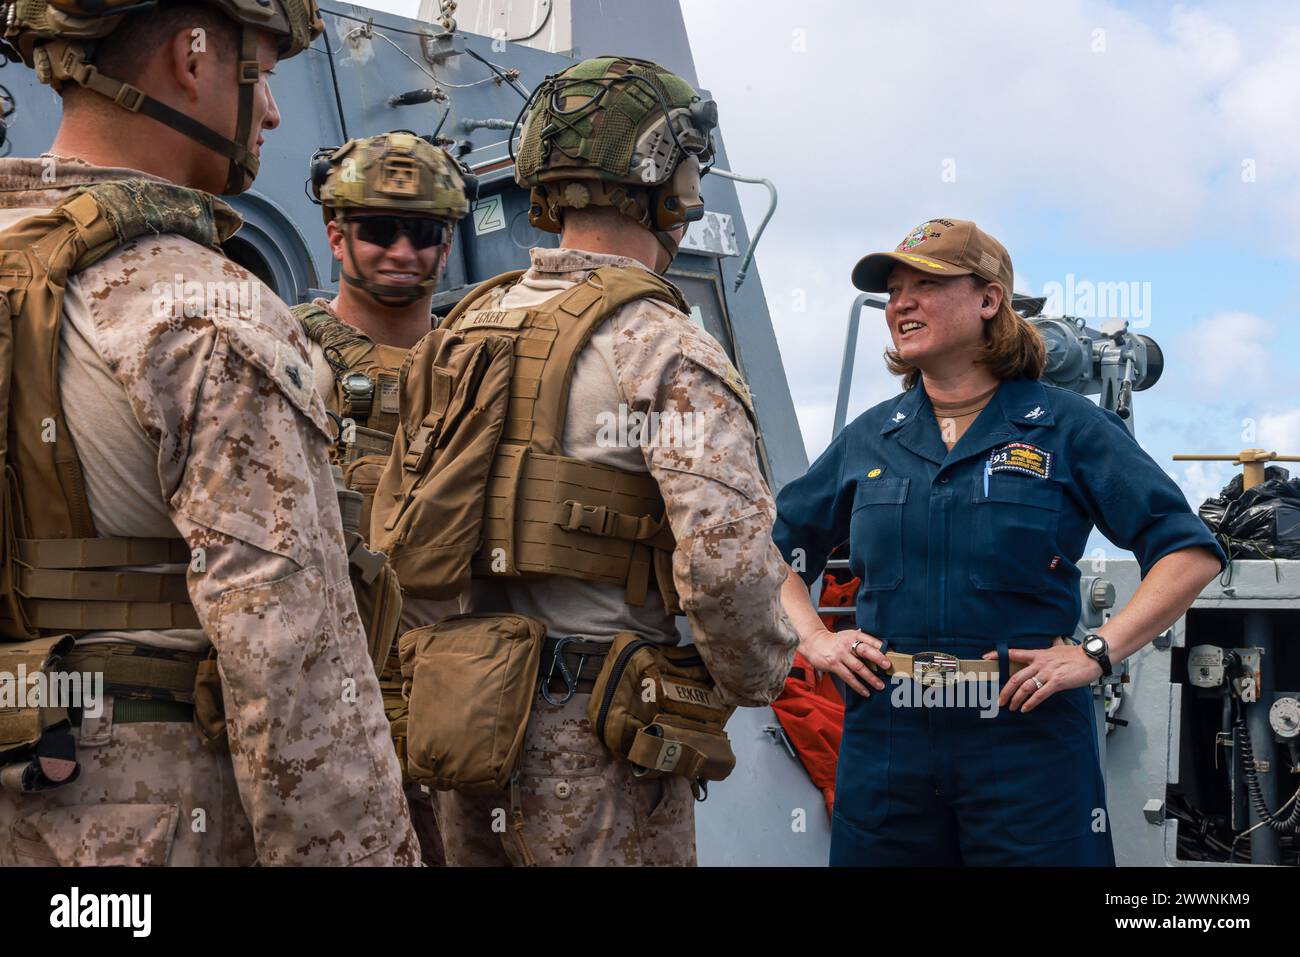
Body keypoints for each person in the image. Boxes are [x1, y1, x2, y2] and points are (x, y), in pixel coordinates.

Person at [0, 0, 418, 865]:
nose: (268, 110)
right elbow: (293, 668)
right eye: (258, 71)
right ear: (193, 57)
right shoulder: (207, 312)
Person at [425, 55, 798, 866]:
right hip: (597, 733)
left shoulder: (463, 326)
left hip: (463, 716)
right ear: (665, 179)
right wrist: (756, 674)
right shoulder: (664, 345)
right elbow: (728, 567)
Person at [772, 218, 1225, 866]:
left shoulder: (1068, 427)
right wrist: (815, 637)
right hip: (887, 741)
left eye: (924, 284)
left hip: (1026, 743)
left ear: (989, 300)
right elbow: (775, 553)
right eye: (894, 290)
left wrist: (1096, 651)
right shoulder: (870, 438)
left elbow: (1186, 550)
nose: (901, 302)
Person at [296, 131, 469, 864]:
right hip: (338, 697)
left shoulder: (481, 359)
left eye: (423, 233)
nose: (402, 250)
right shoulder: (288, 353)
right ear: (337, 237)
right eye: (377, 230)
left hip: (464, 694)